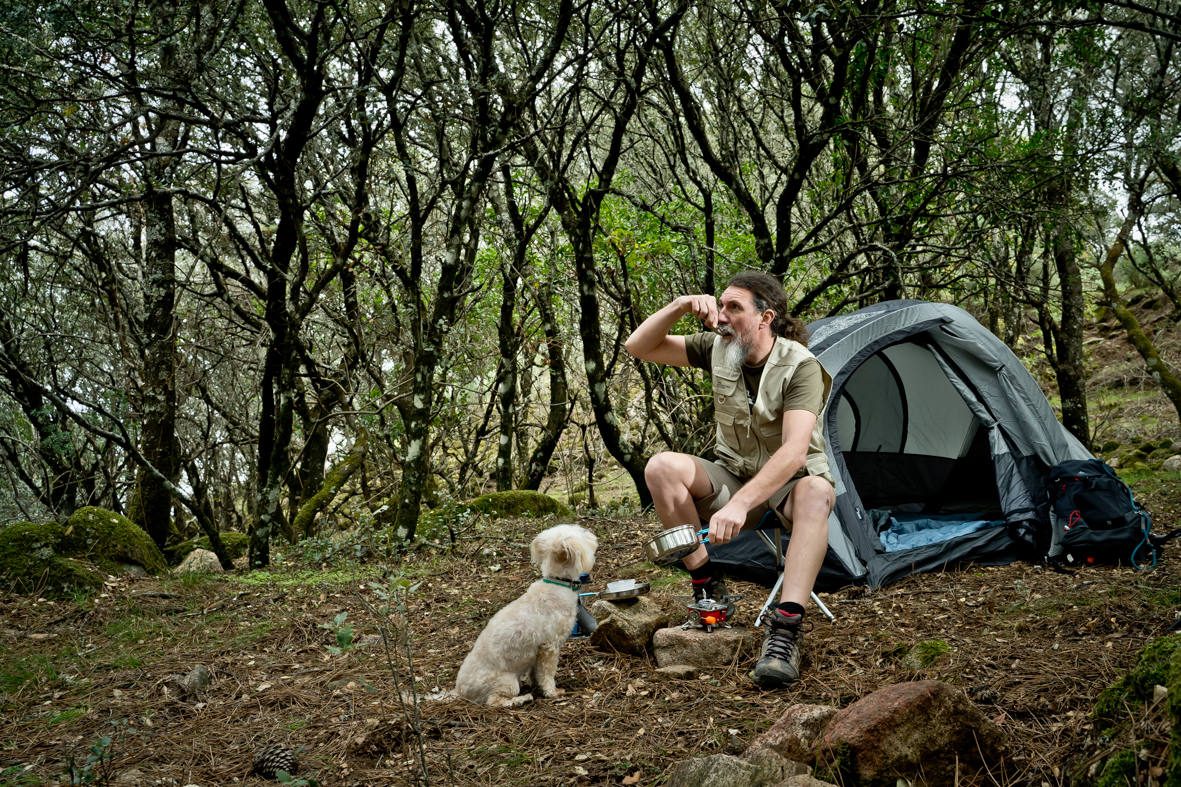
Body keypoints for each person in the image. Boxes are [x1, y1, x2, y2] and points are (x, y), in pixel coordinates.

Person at [623, 271, 835, 688]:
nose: (720, 316)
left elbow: (793, 454)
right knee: (661, 467)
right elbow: (638, 346)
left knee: (816, 491)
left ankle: (785, 631)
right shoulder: (719, 348)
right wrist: (681, 305)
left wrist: (739, 506)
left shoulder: (801, 367)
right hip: (734, 476)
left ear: (765, 317)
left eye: (734, 308)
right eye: (720, 305)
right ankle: (707, 587)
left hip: (790, 486)